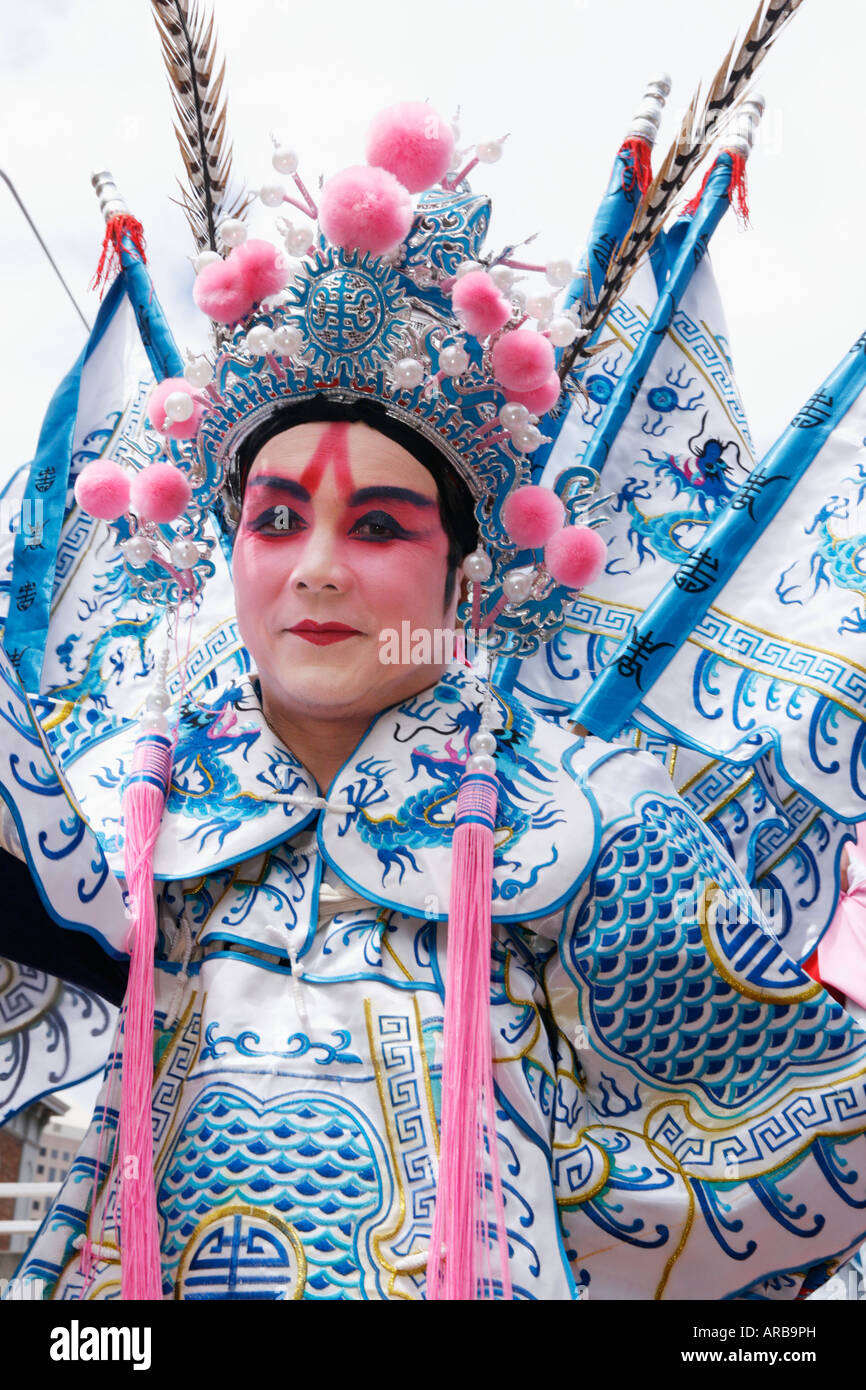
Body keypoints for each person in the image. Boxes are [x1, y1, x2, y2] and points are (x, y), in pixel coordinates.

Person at [4, 68, 866, 1299]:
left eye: (380, 526)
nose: (314, 572)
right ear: (225, 546)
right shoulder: (113, 808)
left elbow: (784, 1144)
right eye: (277, 515)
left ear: (463, 575)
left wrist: (525, 1204)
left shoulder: (580, 813)